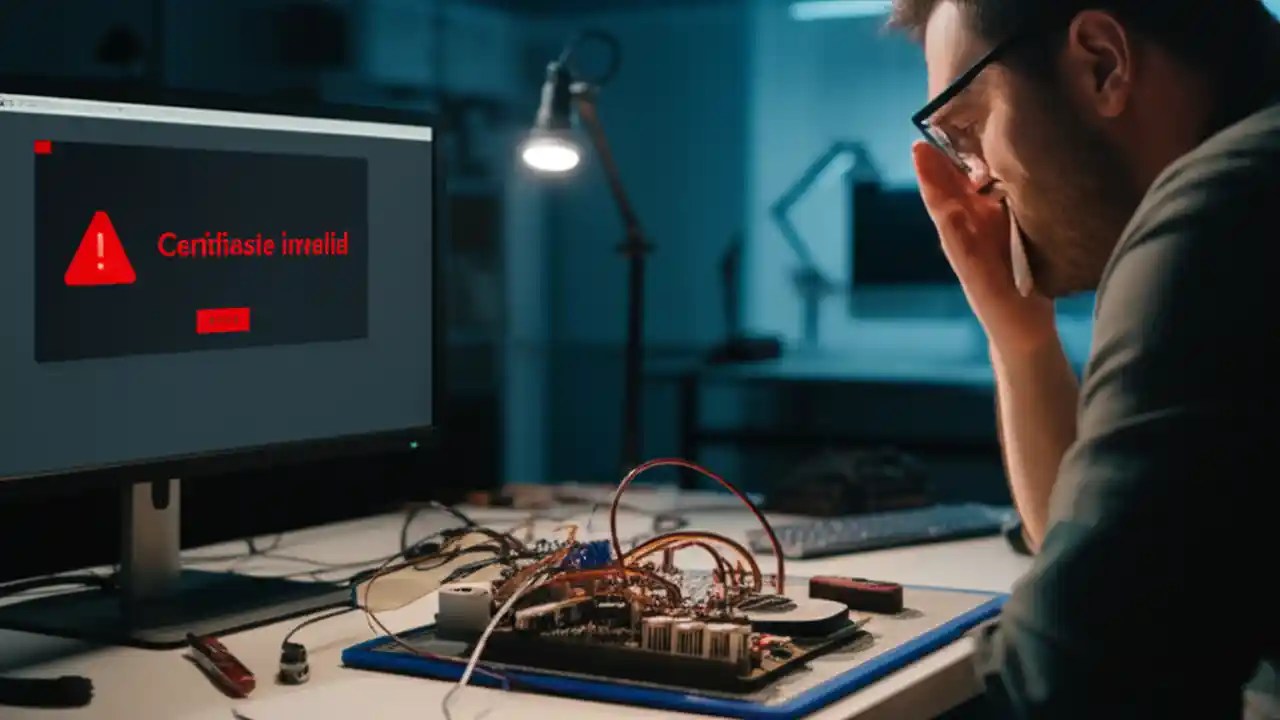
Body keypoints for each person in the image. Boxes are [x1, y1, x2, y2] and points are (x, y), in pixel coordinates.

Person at [887, 0, 1280, 717]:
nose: (975, 180)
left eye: (967, 130)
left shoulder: (1224, 208)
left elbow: (1080, 682)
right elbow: (1109, 574)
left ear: (1103, 62)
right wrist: (1019, 337)